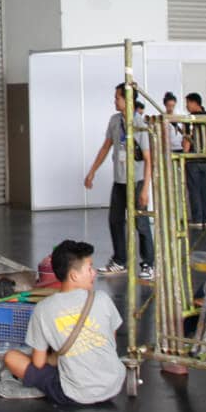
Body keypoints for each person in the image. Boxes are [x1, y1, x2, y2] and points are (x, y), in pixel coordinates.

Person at [0, 240, 125, 404]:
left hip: (75, 395)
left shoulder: (44, 308)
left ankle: (42, 387)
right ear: (74, 275)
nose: (94, 273)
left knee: (12, 357)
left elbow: (38, 362)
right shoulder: (102, 298)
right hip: (113, 387)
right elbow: (111, 342)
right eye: (89, 268)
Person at [82, 83, 154, 276]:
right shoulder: (114, 121)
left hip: (136, 181)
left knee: (141, 223)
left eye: (118, 97)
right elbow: (105, 147)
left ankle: (149, 263)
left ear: (127, 99)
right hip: (119, 181)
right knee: (115, 220)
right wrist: (92, 171)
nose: (115, 101)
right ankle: (120, 260)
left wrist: (145, 189)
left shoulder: (140, 125)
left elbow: (149, 159)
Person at [183, 93, 206, 226]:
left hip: (193, 159)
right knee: (203, 189)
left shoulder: (190, 119)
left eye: (188, 103)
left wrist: (184, 155)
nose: (186, 106)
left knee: (194, 189)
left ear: (195, 103)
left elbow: (187, 139)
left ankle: (197, 219)